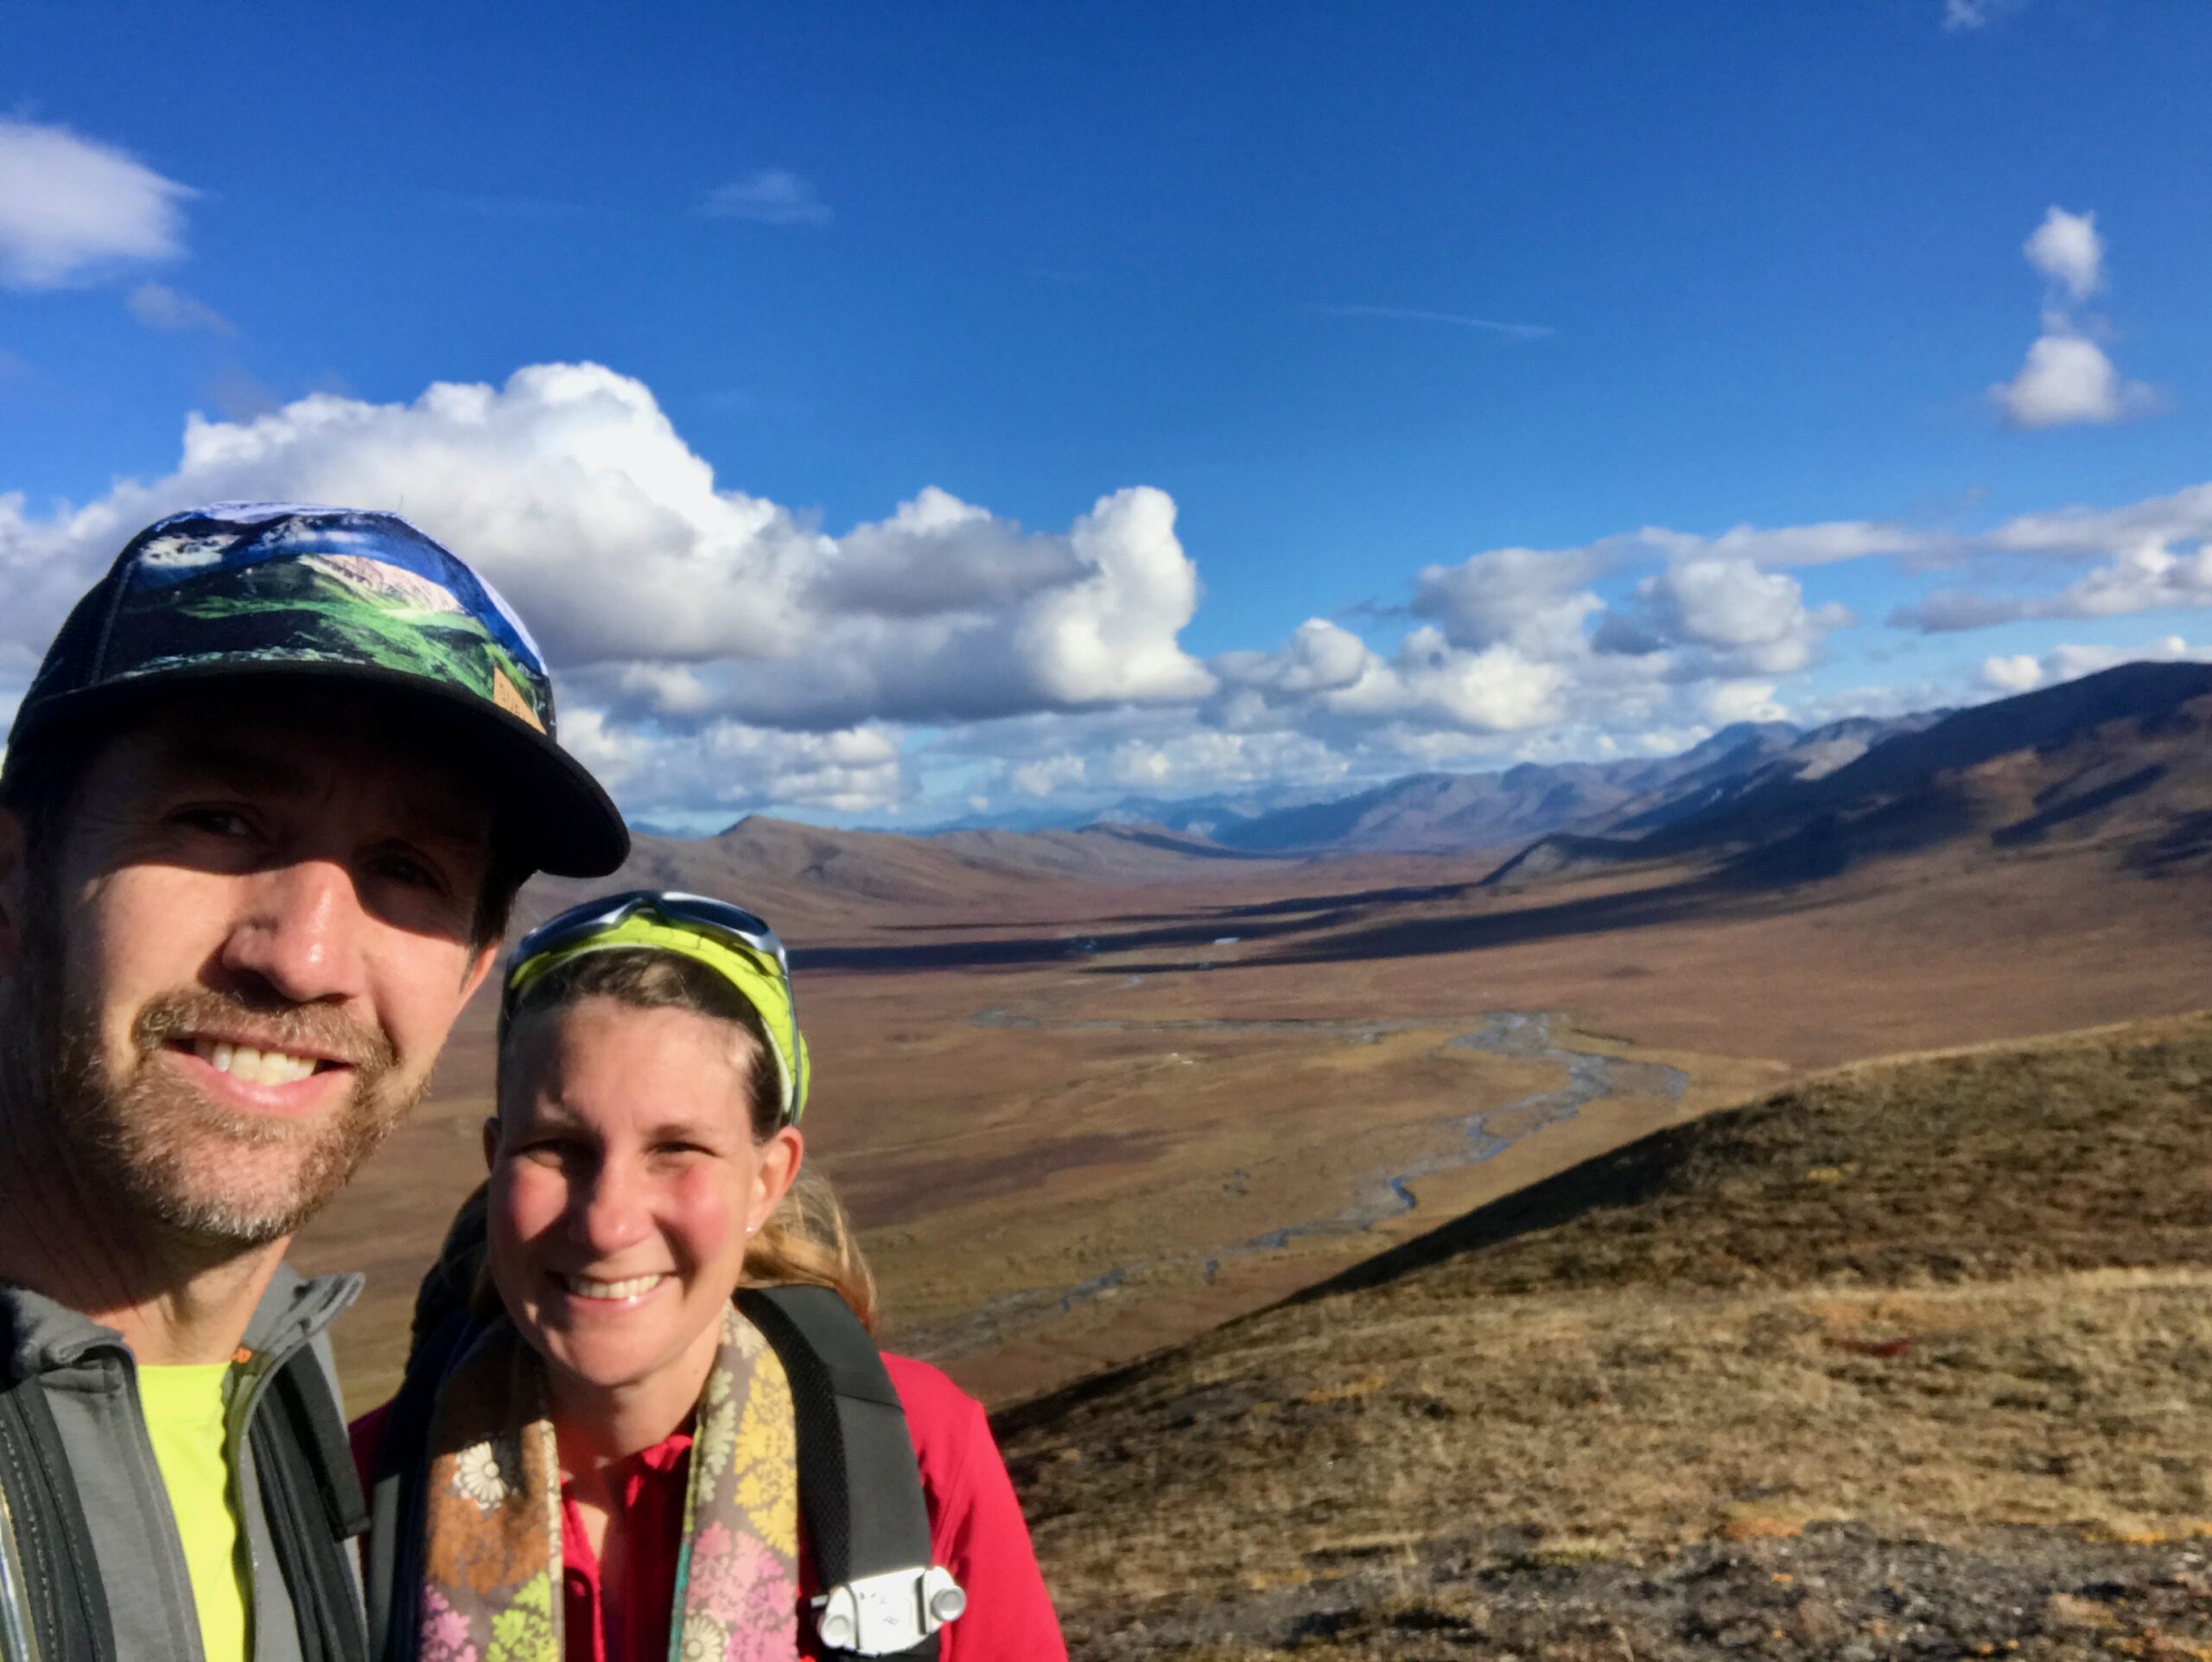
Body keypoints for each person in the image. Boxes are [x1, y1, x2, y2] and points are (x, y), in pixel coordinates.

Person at [0, 502, 629, 1662]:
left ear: (472, 970)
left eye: (408, 869)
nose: (302, 957)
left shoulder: (285, 1392)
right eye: (221, 819)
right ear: (15, 874)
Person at [350, 890, 1066, 1661]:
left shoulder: (912, 1462)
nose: (607, 1221)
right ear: (496, 1162)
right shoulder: (359, 1495)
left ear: (766, 1180)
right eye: (558, 1147)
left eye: (677, 1149)